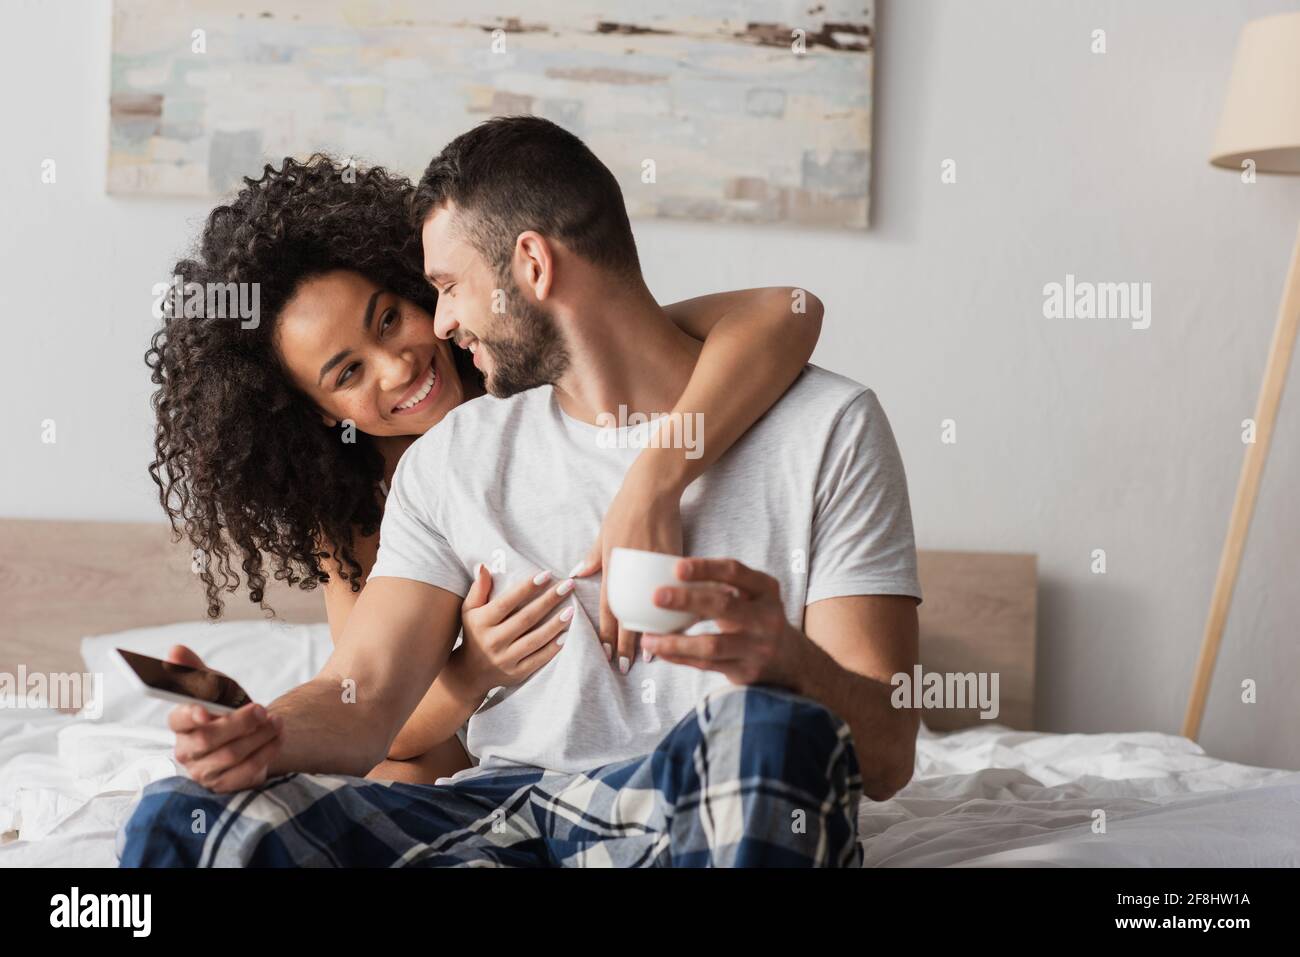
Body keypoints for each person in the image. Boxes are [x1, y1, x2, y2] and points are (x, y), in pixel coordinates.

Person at [121, 116, 923, 868]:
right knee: (184, 815)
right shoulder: (448, 461)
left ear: (532, 267)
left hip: (696, 796)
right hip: (504, 813)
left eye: (444, 289)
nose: (437, 327)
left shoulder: (827, 427)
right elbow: (359, 698)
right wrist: (267, 731)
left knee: (770, 735)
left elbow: (886, 755)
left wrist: (788, 661)